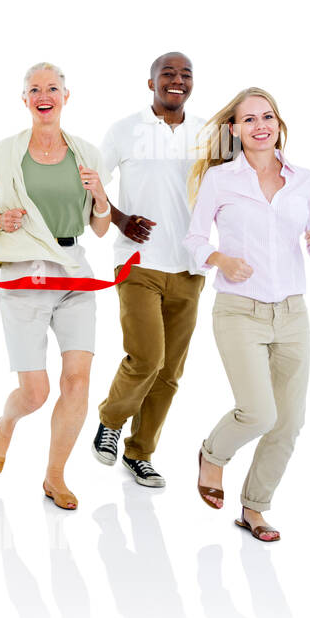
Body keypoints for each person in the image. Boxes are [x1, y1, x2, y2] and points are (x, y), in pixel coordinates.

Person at [185, 88, 310, 542]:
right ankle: (213, 455)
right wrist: (221, 260)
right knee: (258, 412)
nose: (260, 125)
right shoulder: (221, 180)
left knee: (289, 422)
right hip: (239, 312)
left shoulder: (304, 180)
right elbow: (193, 242)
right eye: (249, 120)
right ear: (234, 129)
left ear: (278, 123)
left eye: (267, 116)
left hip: (292, 313)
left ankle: (255, 508)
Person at [0, 63, 113, 510]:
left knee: (77, 380)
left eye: (52, 88)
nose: (43, 95)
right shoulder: (5, 151)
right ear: (25, 99)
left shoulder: (88, 154)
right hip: (24, 275)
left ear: (66, 96)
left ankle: (55, 476)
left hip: (74, 271)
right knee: (36, 392)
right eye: (35, 89)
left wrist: (101, 198)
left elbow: (102, 227)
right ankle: (5, 422)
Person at [92, 52, 205, 487]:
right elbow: (92, 186)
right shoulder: (125, 130)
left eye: (185, 75)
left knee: (171, 371)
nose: (177, 81)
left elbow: (238, 183)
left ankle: (140, 453)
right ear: (151, 82)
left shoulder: (210, 133)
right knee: (147, 357)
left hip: (190, 267)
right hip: (137, 262)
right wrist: (121, 219)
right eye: (168, 74)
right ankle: (110, 420)